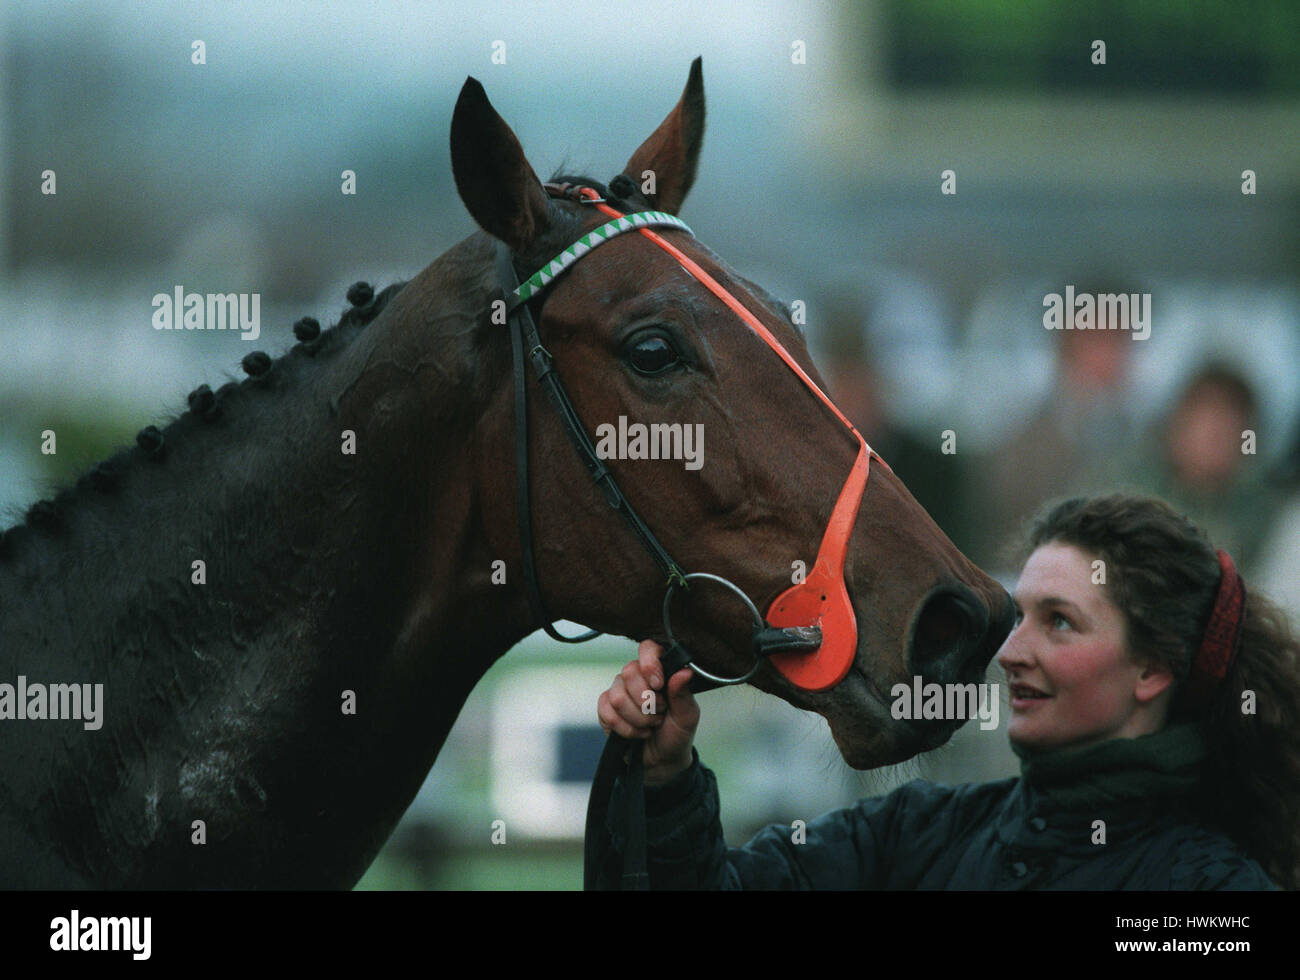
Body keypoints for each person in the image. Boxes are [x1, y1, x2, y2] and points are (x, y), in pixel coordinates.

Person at [591, 494, 1298, 889]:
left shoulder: (1213, 897)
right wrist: (666, 781)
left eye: (1059, 623)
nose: (1011, 653)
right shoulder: (918, 831)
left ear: (1152, 670)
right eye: (1020, 618)